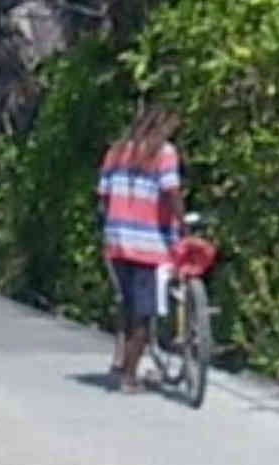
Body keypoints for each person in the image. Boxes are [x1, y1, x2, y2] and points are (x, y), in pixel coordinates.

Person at [95, 105, 185, 393]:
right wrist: (182, 224)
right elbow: (171, 191)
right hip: (149, 243)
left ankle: (120, 360)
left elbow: (104, 196)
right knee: (143, 313)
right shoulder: (163, 153)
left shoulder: (117, 151)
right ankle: (130, 378)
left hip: (118, 239)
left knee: (127, 302)